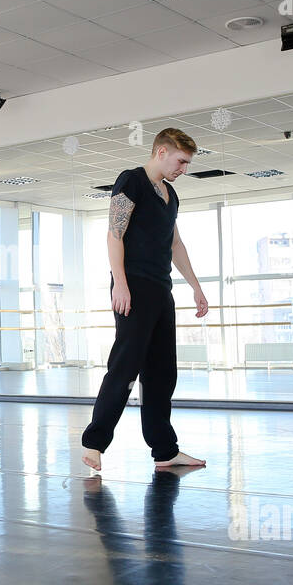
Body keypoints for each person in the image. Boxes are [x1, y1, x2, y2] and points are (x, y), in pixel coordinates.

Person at [81, 128, 209, 474]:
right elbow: (114, 233)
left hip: (160, 289)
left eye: (187, 163)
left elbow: (175, 245)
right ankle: (94, 443)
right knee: (125, 367)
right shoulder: (131, 181)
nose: (184, 168)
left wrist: (196, 287)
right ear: (161, 152)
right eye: (181, 161)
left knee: (162, 373)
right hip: (133, 286)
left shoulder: (171, 195)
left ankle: (165, 450)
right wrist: (119, 284)